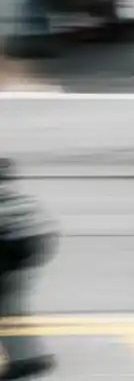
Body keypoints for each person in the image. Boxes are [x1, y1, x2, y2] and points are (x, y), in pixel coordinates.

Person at [0, 158, 56, 379]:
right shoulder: (17, 196)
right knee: (11, 309)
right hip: (28, 251)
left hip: (12, 254)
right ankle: (29, 359)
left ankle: (28, 360)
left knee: (9, 308)